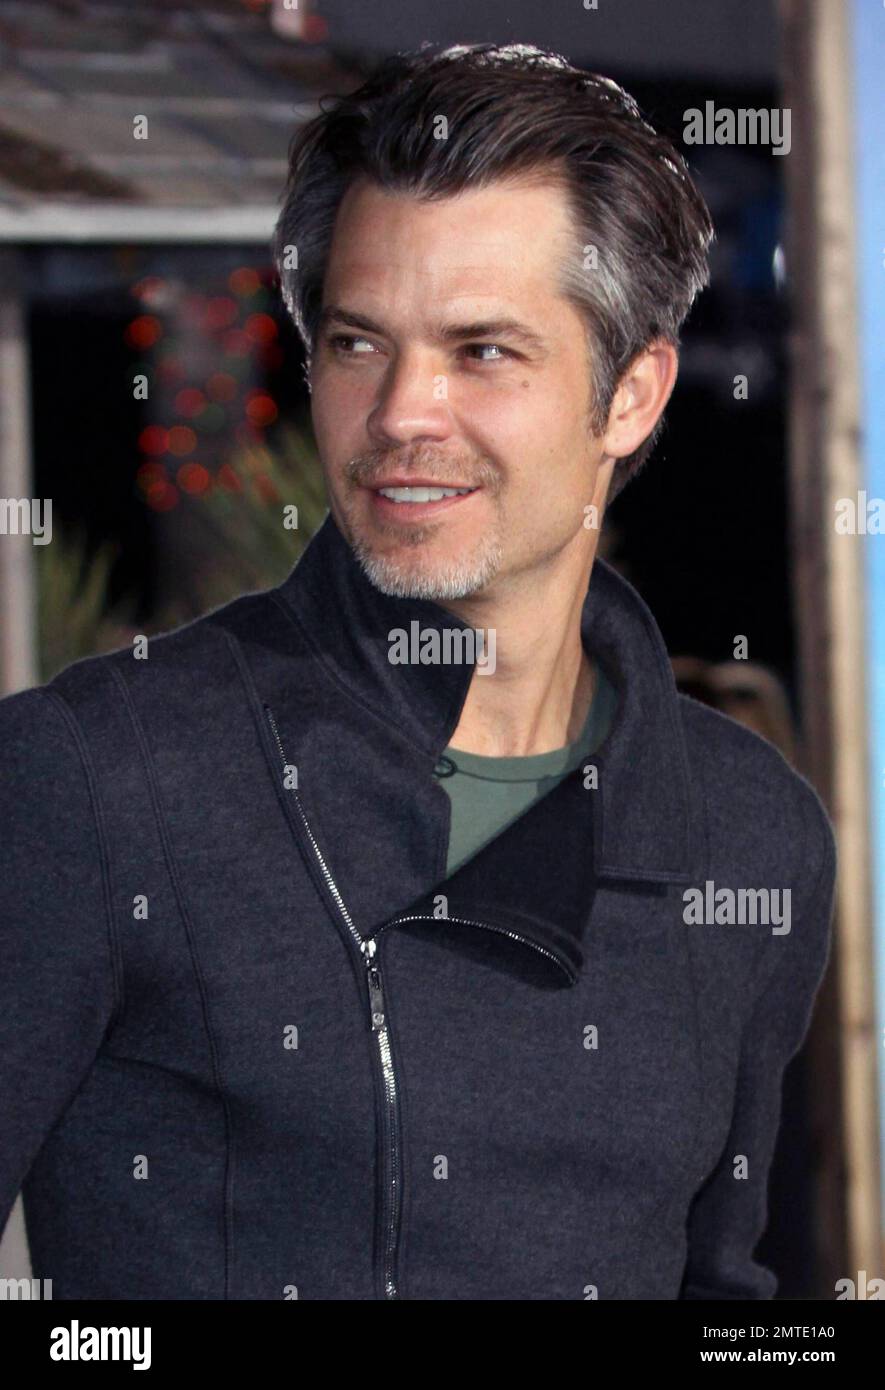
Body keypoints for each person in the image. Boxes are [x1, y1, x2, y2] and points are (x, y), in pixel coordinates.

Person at [0, 42, 835, 1300]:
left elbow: (736, 1290)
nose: (401, 413)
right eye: (356, 343)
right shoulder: (95, 781)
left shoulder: (749, 836)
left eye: (483, 350)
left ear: (633, 396)